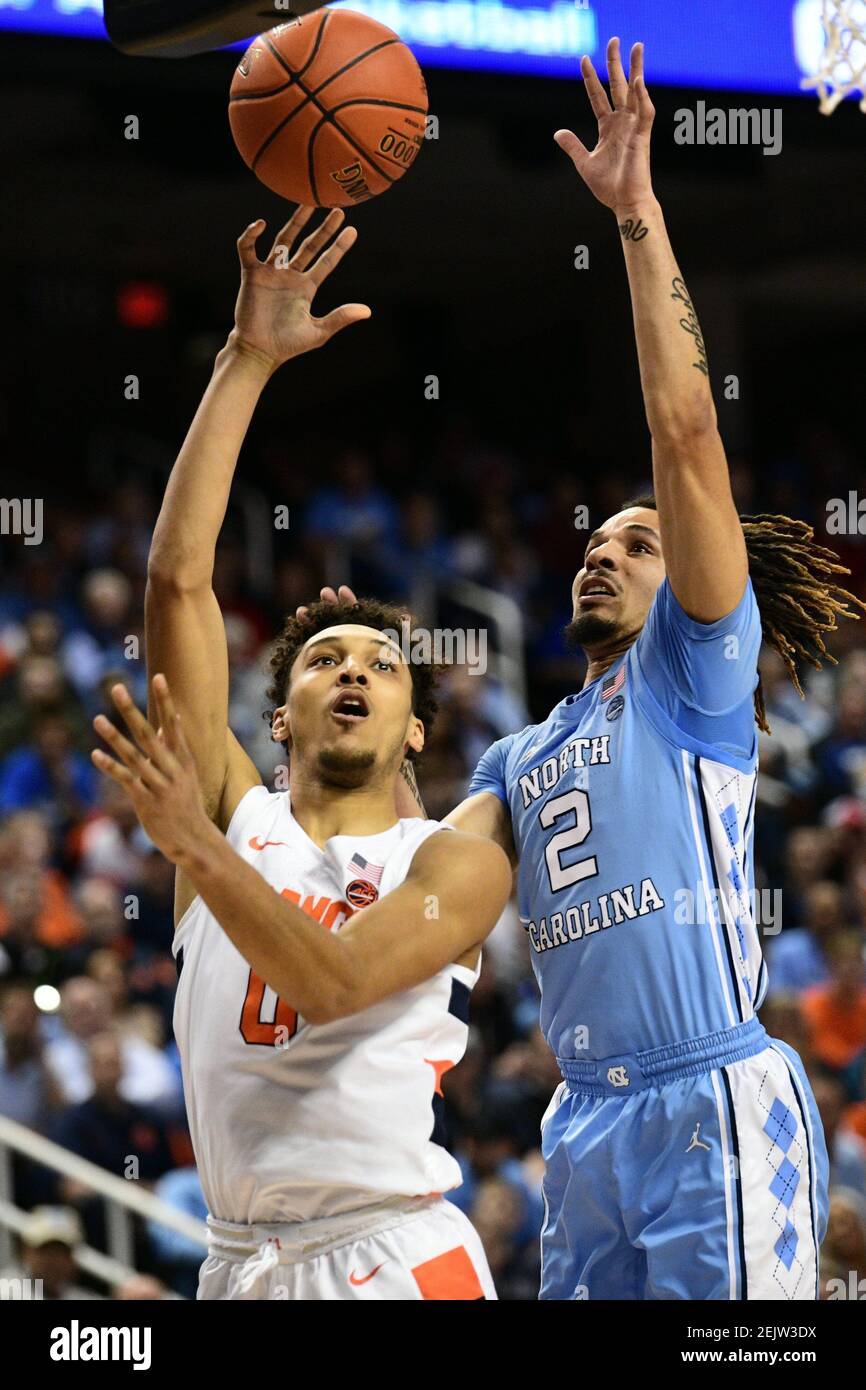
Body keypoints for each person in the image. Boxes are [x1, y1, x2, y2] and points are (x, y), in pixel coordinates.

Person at [318, 40, 864, 1300]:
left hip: (707, 1097)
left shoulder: (693, 675)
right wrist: (348, 692)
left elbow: (683, 426)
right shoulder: (518, 754)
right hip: (581, 1125)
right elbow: (422, 879)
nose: (600, 553)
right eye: (593, 541)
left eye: (636, 542)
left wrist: (635, 213)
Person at [91, 207, 512, 1302]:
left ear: (415, 727)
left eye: (382, 663)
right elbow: (177, 580)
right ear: (278, 716)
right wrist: (245, 358)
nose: (354, 671)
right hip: (238, 1264)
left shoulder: (452, 861)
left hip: (394, 1252)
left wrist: (193, 848)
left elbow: (330, 982)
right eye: (325, 660)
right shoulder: (234, 814)